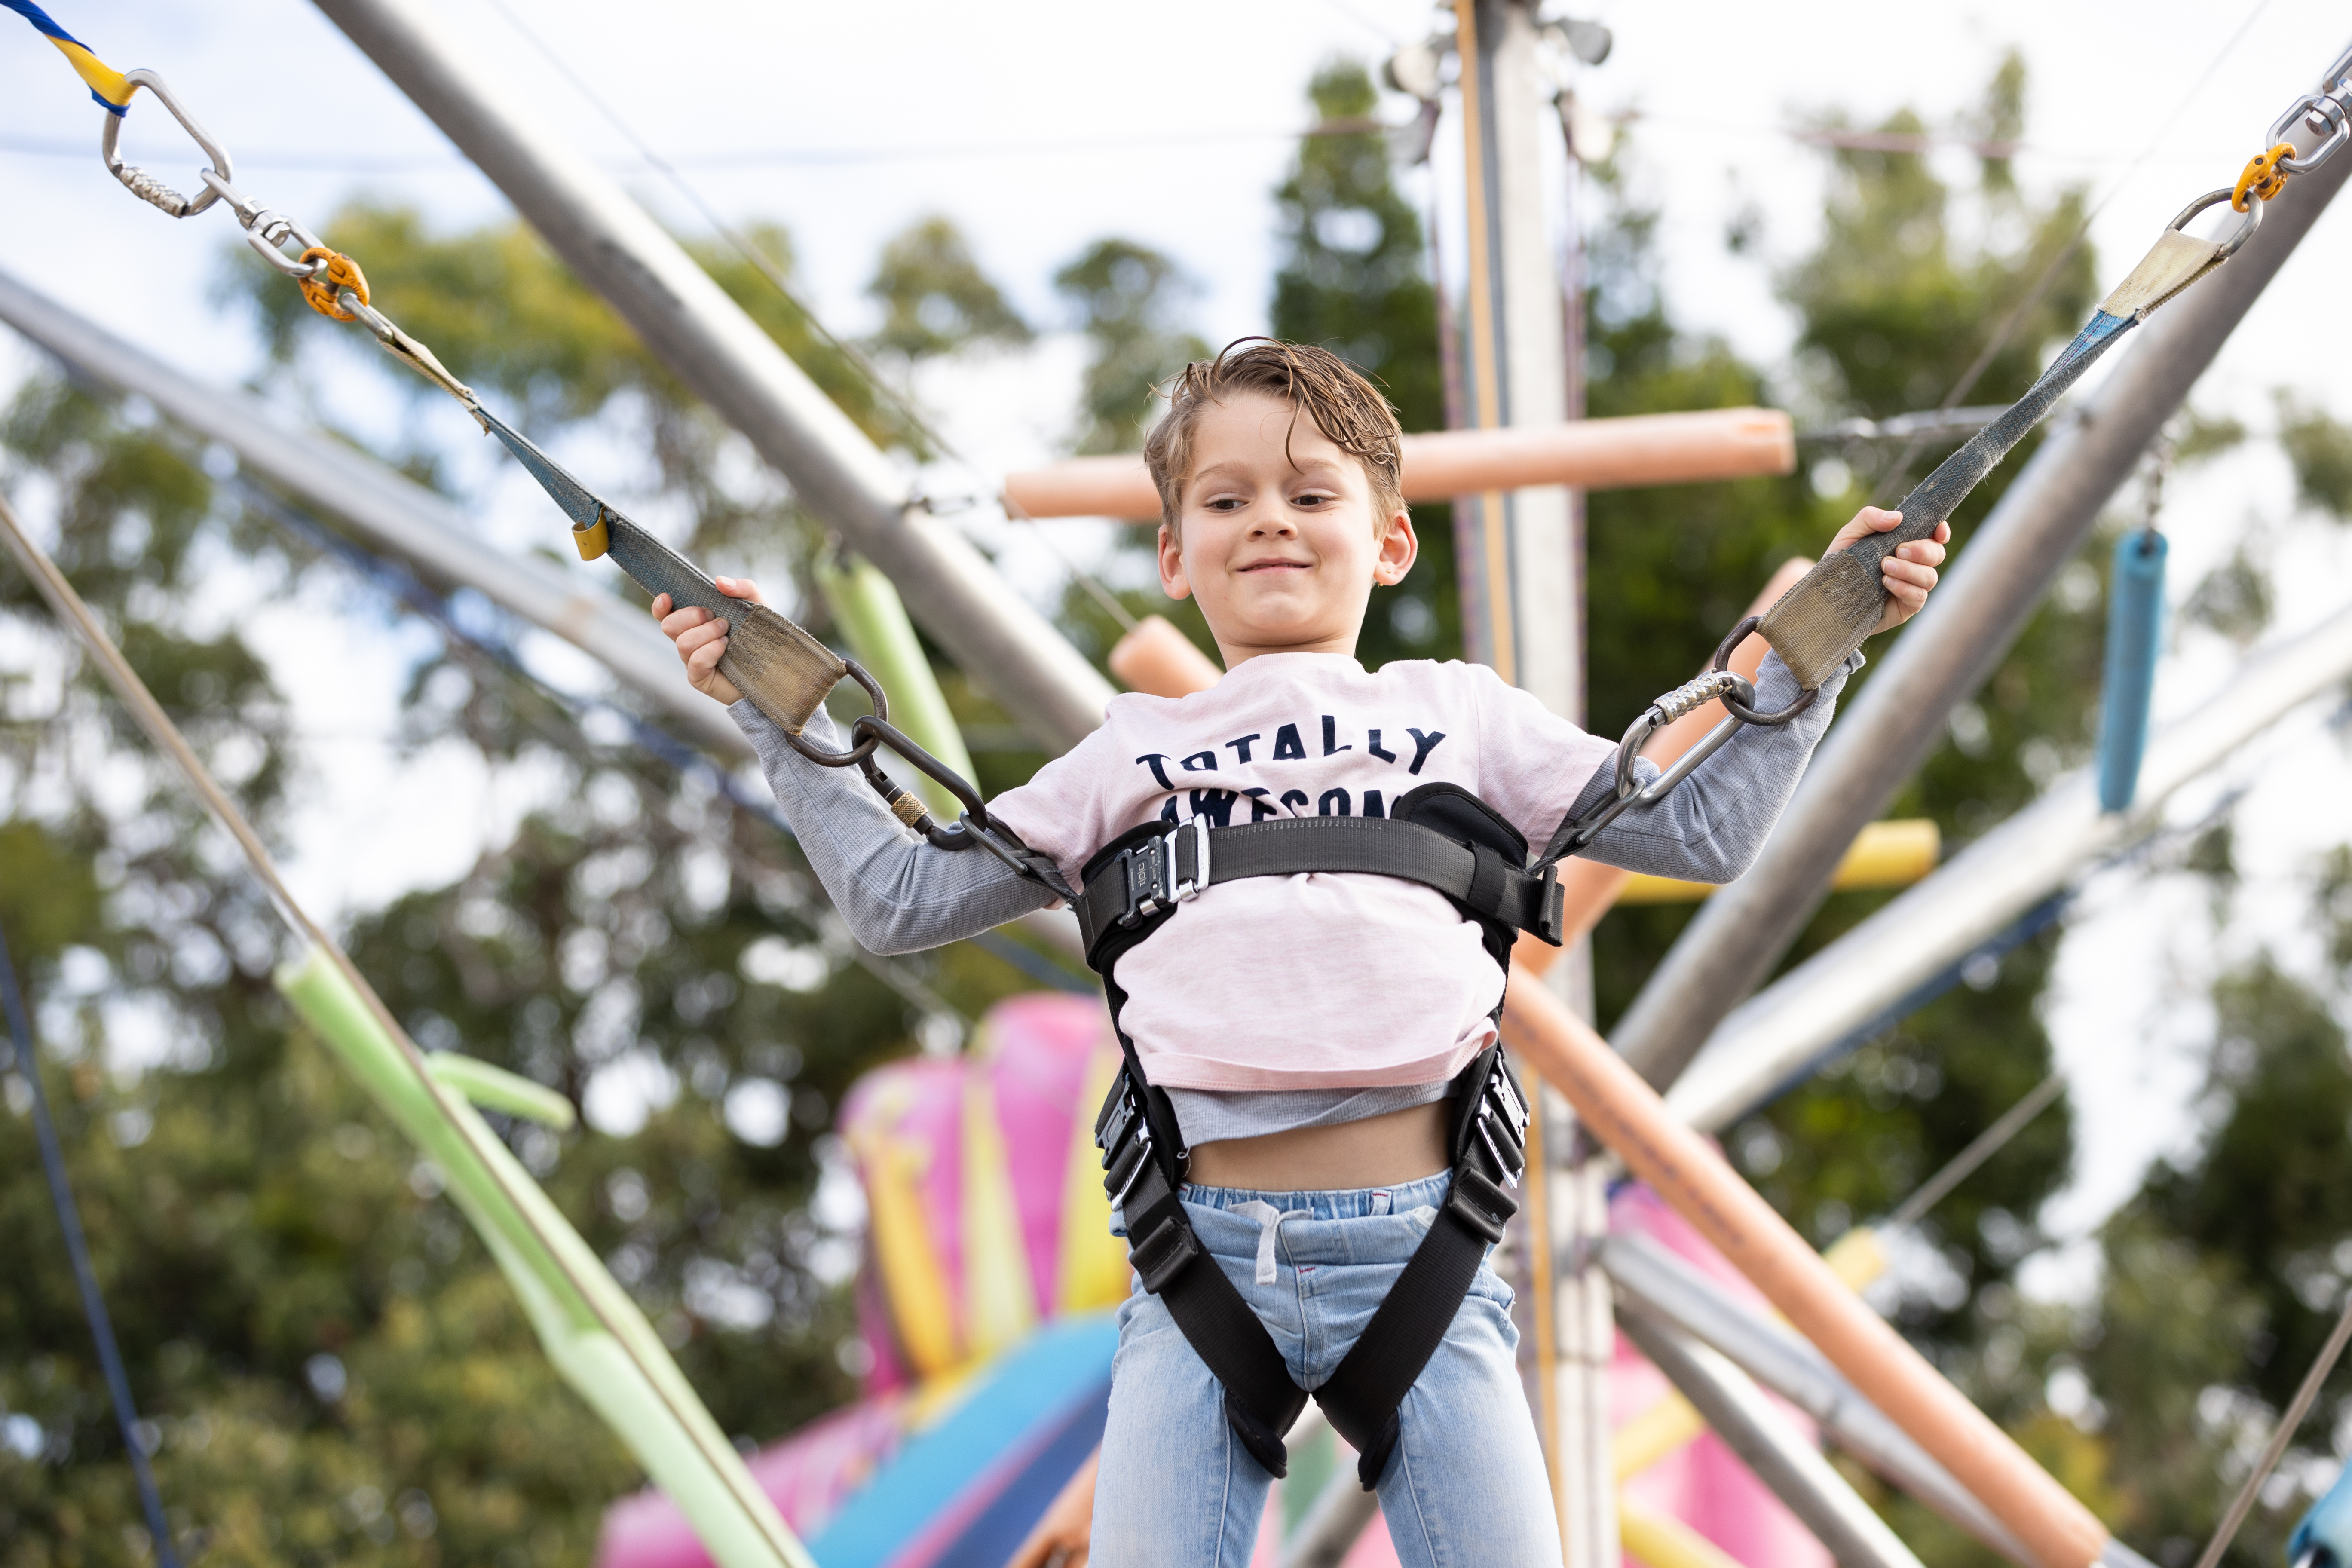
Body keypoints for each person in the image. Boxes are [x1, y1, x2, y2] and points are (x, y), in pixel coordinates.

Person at [654, 340, 1947, 1566]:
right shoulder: (1132, 749)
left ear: (1389, 541)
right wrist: (777, 714)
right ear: (1175, 554)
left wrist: (1824, 643)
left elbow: (1703, 828)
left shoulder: (1458, 713)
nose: (1269, 520)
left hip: (1429, 1252)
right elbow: (898, 896)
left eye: (1310, 493)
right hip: (1200, 1261)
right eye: (1227, 500)